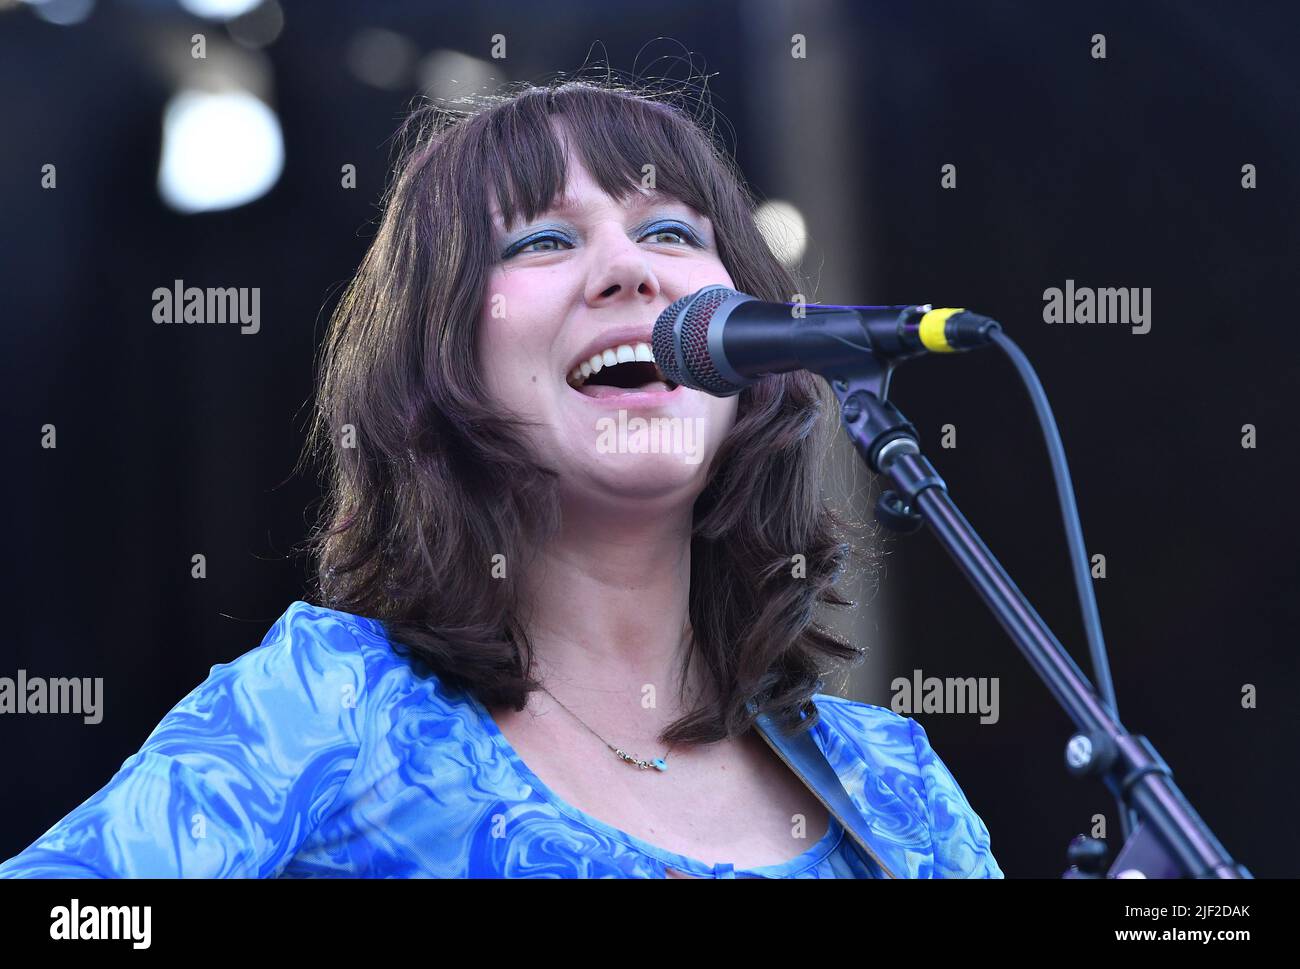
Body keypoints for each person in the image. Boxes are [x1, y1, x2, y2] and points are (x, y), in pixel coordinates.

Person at [0, 78, 1002, 879]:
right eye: (542, 240)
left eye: (670, 233)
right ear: (439, 363)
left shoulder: (890, 788)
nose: (630, 271)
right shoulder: (328, 710)